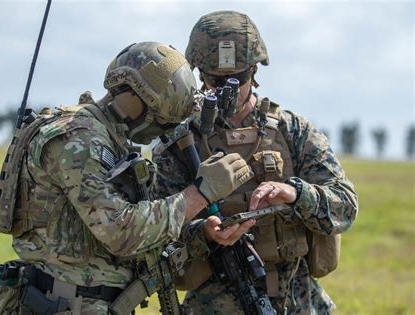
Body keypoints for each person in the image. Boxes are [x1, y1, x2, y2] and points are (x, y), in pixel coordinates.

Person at [0, 41, 254, 314]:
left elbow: (142, 229)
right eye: (162, 121)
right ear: (135, 104)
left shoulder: (108, 139)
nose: (161, 132)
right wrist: (199, 194)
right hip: (65, 302)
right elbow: (120, 232)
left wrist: (201, 233)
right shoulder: (78, 140)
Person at [151, 11, 358, 315]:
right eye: (215, 79)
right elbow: (152, 232)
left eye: (238, 78)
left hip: (296, 301)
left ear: (254, 71)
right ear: (199, 74)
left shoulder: (293, 130)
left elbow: (346, 207)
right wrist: (203, 233)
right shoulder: (180, 143)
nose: (227, 90)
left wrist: (296, 193)